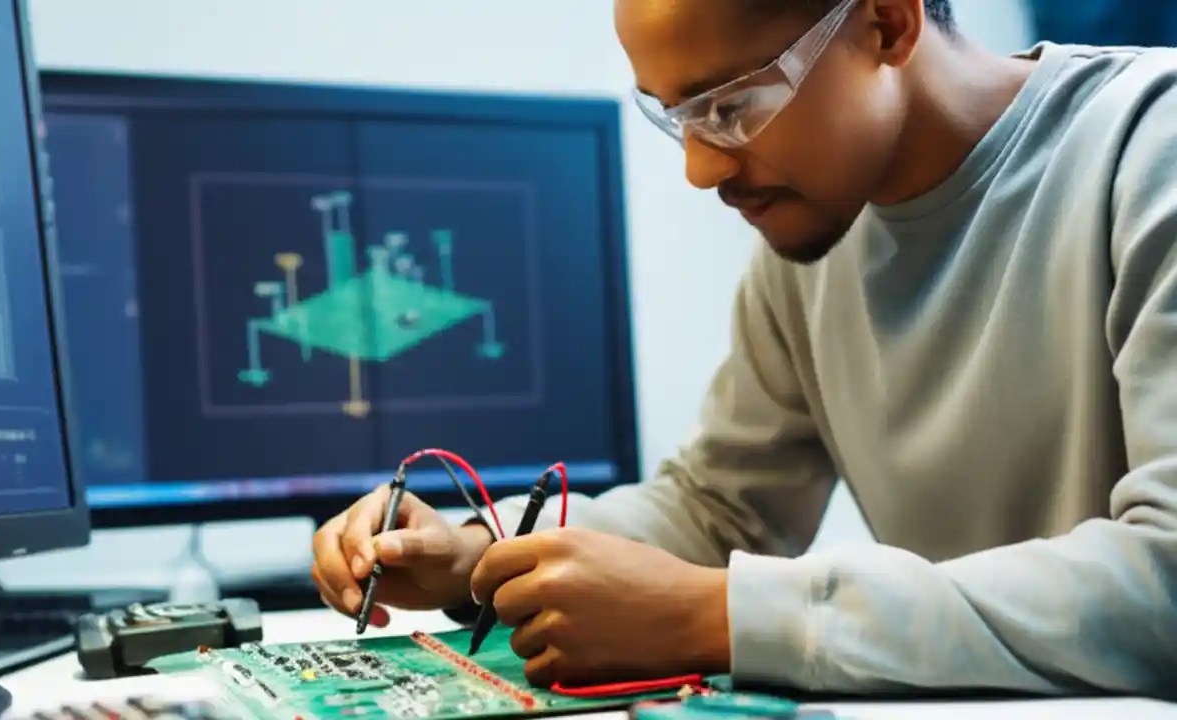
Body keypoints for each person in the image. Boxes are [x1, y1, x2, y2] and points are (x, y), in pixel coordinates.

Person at [313, 0, 1177, 697]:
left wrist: (725, 617)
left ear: (886, 22)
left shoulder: (1150, 148)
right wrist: (481, 554)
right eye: (674, 116)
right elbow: (722, 511)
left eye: (730, 106)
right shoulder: (813, 242)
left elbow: (1164, 583)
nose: (699, 167)